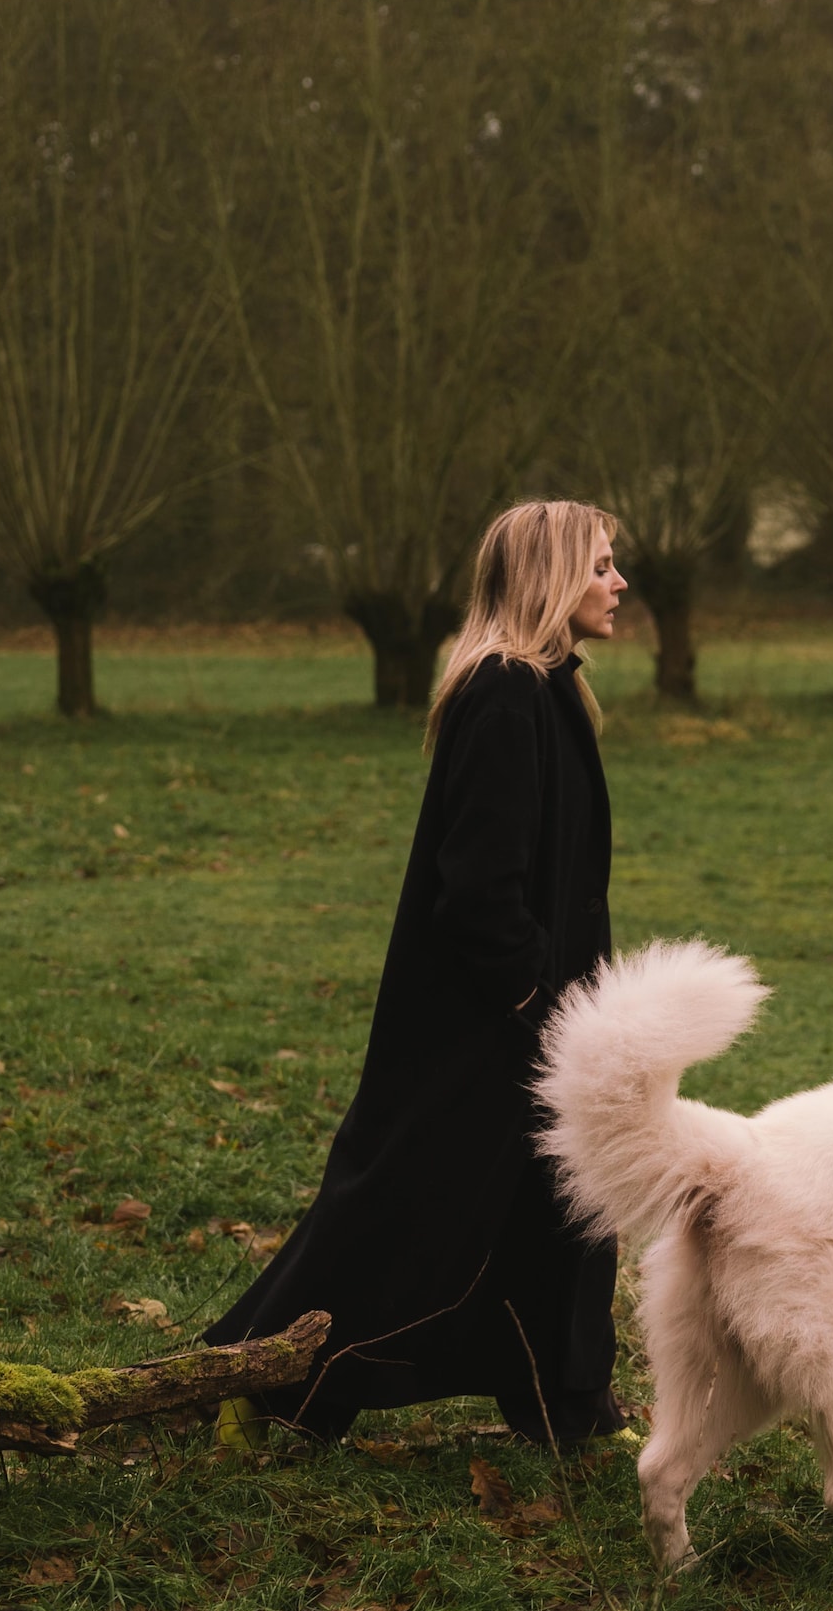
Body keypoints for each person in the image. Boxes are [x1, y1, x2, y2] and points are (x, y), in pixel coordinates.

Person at [203, 500, 630, 1448]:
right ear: (553, 576)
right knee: (405, 1213)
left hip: (538, 1018)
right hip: (478, 1029)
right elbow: (478, 890)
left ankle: (562, 1407)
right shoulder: (506, 694)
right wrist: (538, 1006)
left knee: (555, 1203)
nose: (619, 582)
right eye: (602, 565)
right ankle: (262, 1382)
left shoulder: (550, 687)